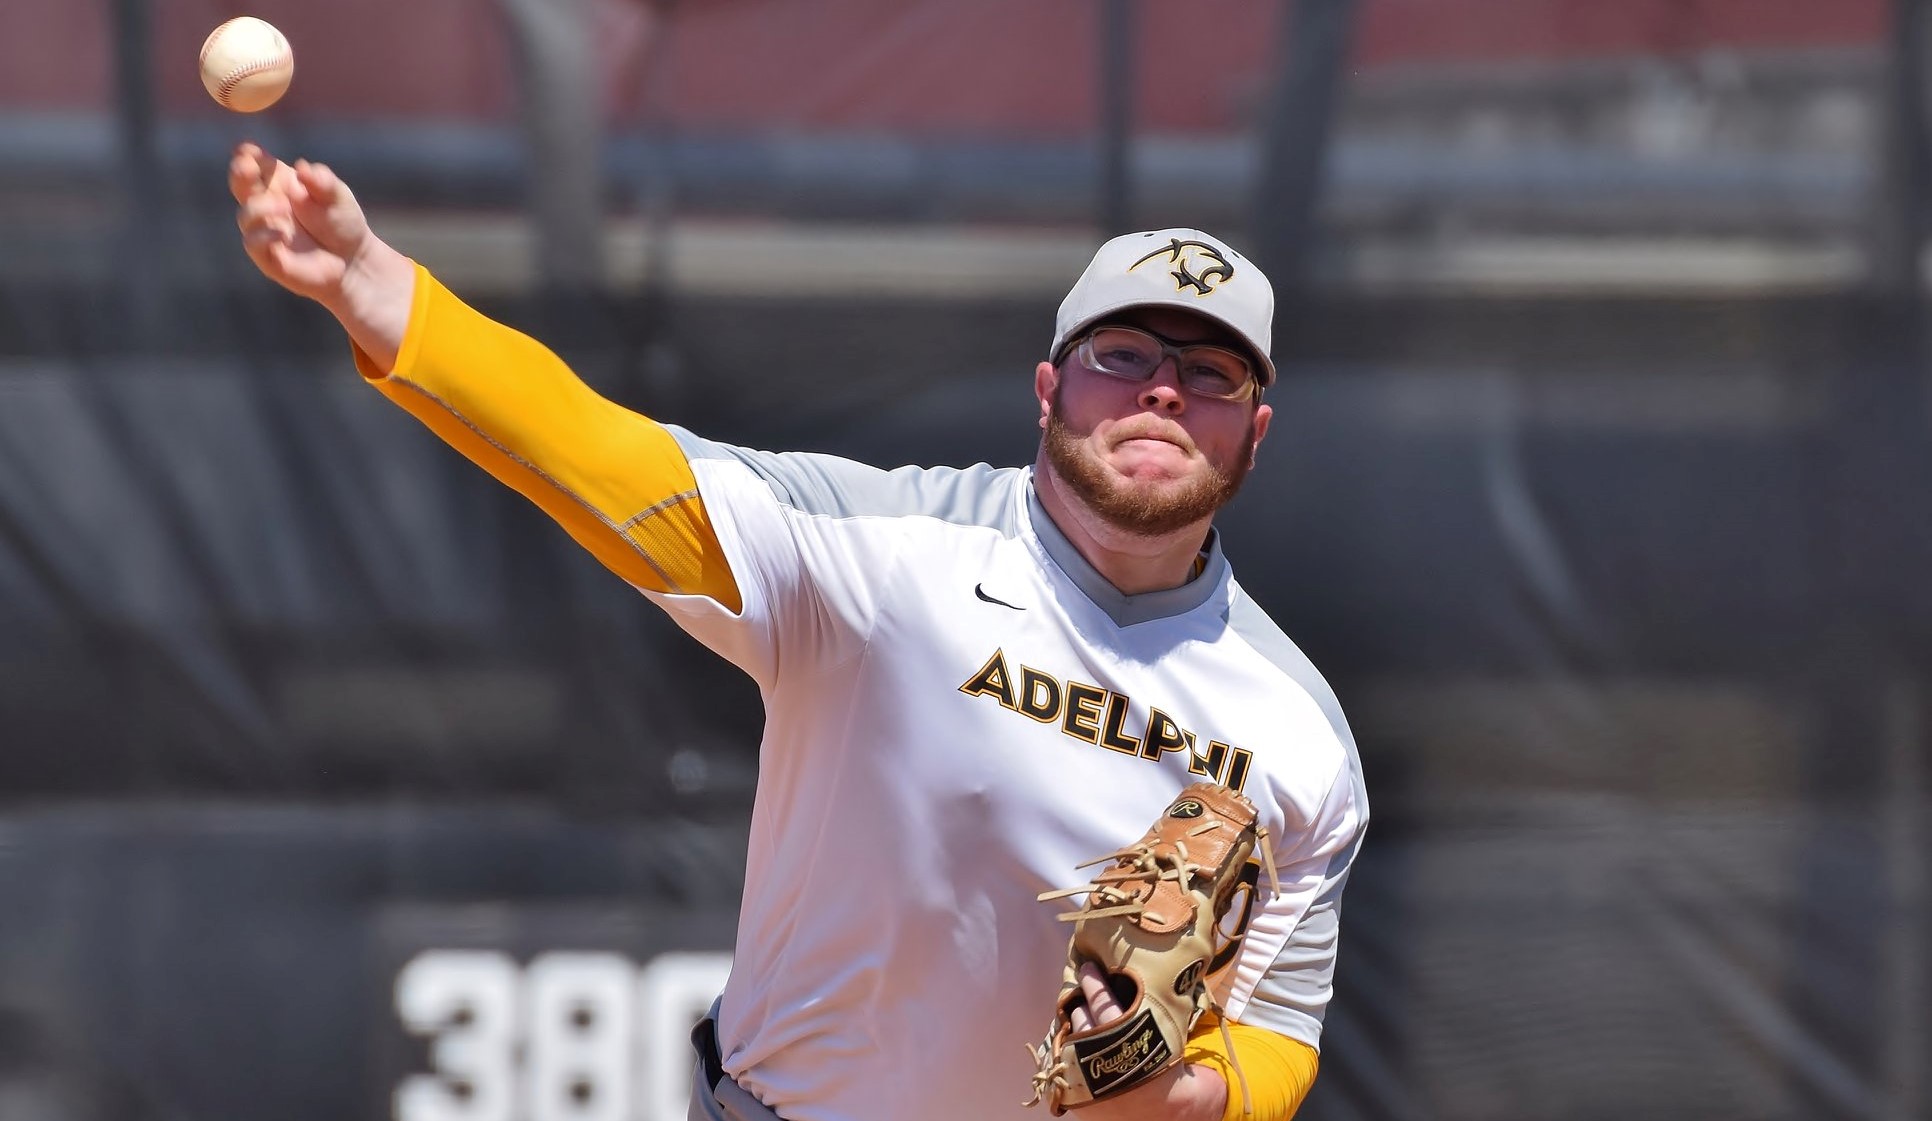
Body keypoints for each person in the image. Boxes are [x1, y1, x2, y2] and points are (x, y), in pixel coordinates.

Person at [228, 143, 1368, 1121]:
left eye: (1210, 371)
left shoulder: (1297, 734)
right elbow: (599, 455)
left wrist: (1194, 1095)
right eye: (1122, 356)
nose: (1162, 391)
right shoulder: (883, 555)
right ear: (1048, 389)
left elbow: (1278, 1028)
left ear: (1256, 430)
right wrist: (370, 285)